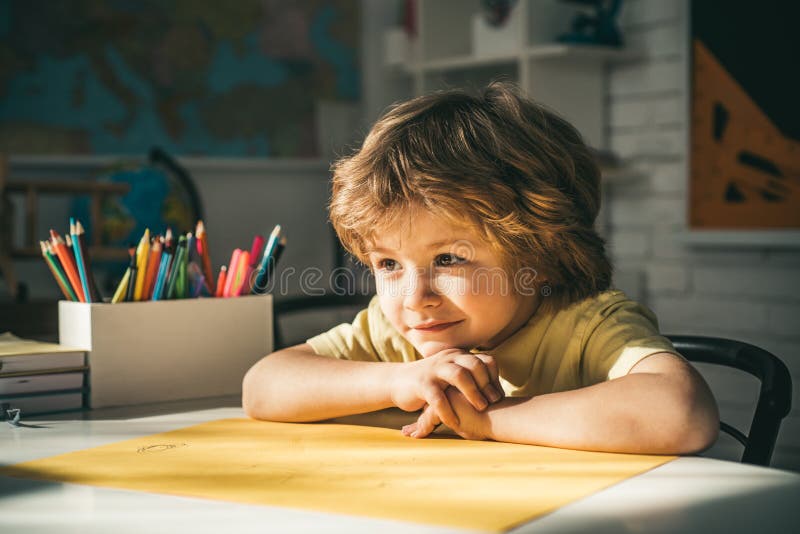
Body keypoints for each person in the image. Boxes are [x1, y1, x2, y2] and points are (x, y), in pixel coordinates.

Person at [243, 82, 719, 454]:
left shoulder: (586, 325)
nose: (415, 297)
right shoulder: (401, 333)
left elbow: (681, 413)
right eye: (388, 263)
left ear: (540, 256)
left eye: (448, 259)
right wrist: (398, 380)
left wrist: (488, 419)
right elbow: (262, 385)